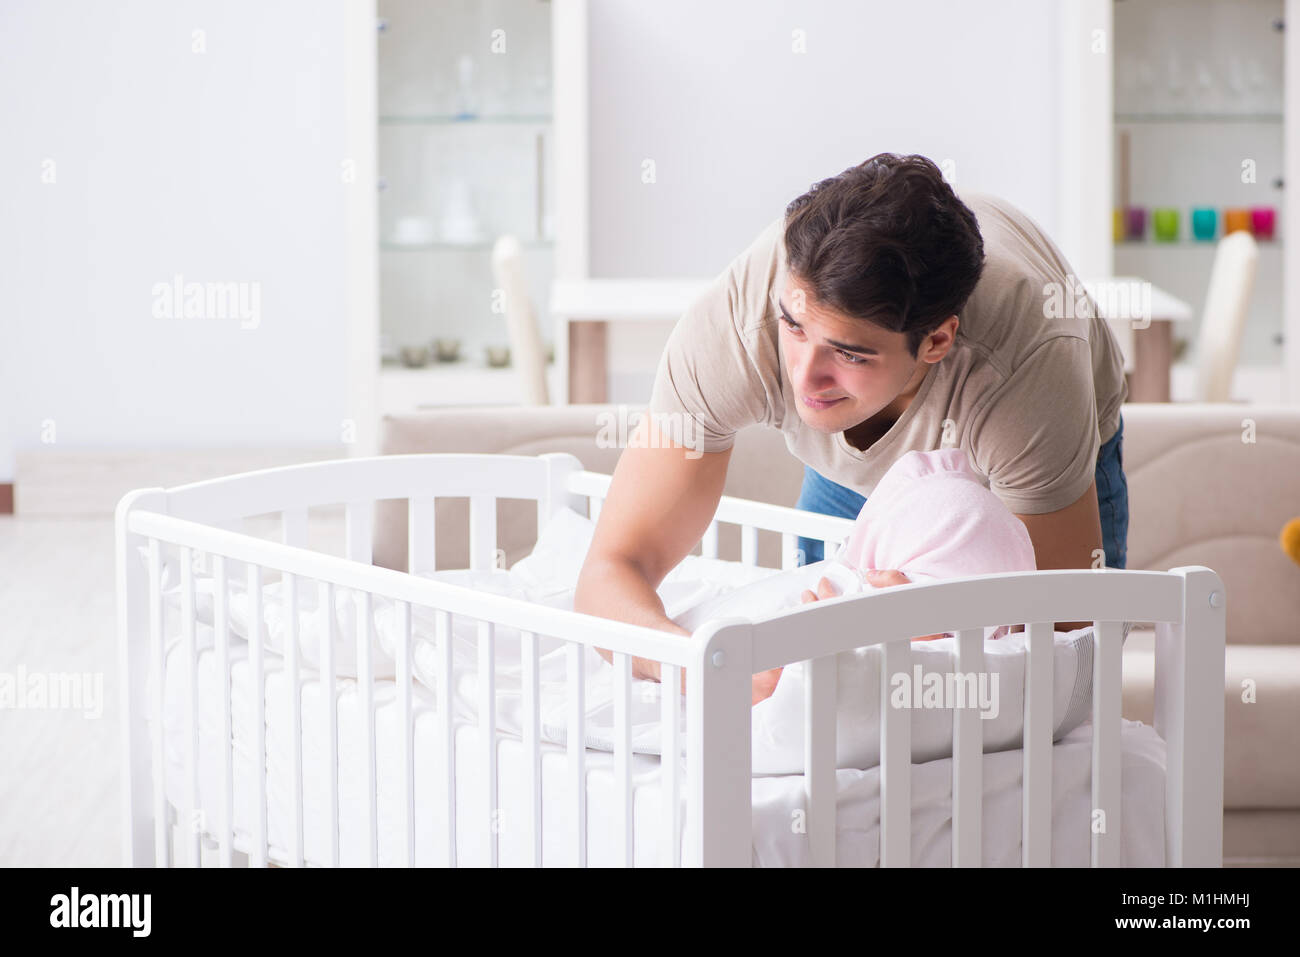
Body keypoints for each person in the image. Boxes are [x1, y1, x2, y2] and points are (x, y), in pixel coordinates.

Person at [573, 153, 1129, 691]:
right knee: (821, 668)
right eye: (794, 328)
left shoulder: (1027, 368)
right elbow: (613, 569)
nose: (804, 379)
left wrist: (945, 650)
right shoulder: (736, 329)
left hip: (1030, 446)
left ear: (937, 341)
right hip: (850, 474)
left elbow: (1065, 657)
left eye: (849, 354)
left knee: (1041, 715)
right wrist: (701, 673)